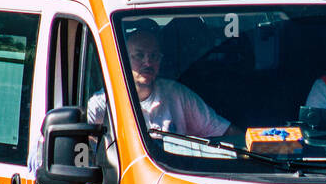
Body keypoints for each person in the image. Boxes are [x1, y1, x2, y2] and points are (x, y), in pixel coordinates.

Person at [88, 24, 242, 140]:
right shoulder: (104, 102)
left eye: (154, 56)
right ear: (124, 60)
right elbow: (83, 143)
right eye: (139, 56)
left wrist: (255, 147)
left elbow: (222, 130)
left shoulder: (176, 93)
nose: (148, 63)